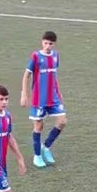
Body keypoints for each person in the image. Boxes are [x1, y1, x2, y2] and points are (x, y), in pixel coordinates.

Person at [20, 30, 66, 169]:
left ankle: (46, 147)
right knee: (39, 126)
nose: (47, 46)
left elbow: (54, 75)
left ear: (54, 44)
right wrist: (24, 94)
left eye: (50, 43)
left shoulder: (56, 56)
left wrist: (59, 92)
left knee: (62, 121)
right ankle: (37, 156)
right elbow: (26, 76)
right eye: (45, 43)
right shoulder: (35, 56)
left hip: (53, 97)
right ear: (42, 42)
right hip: (39, 98)